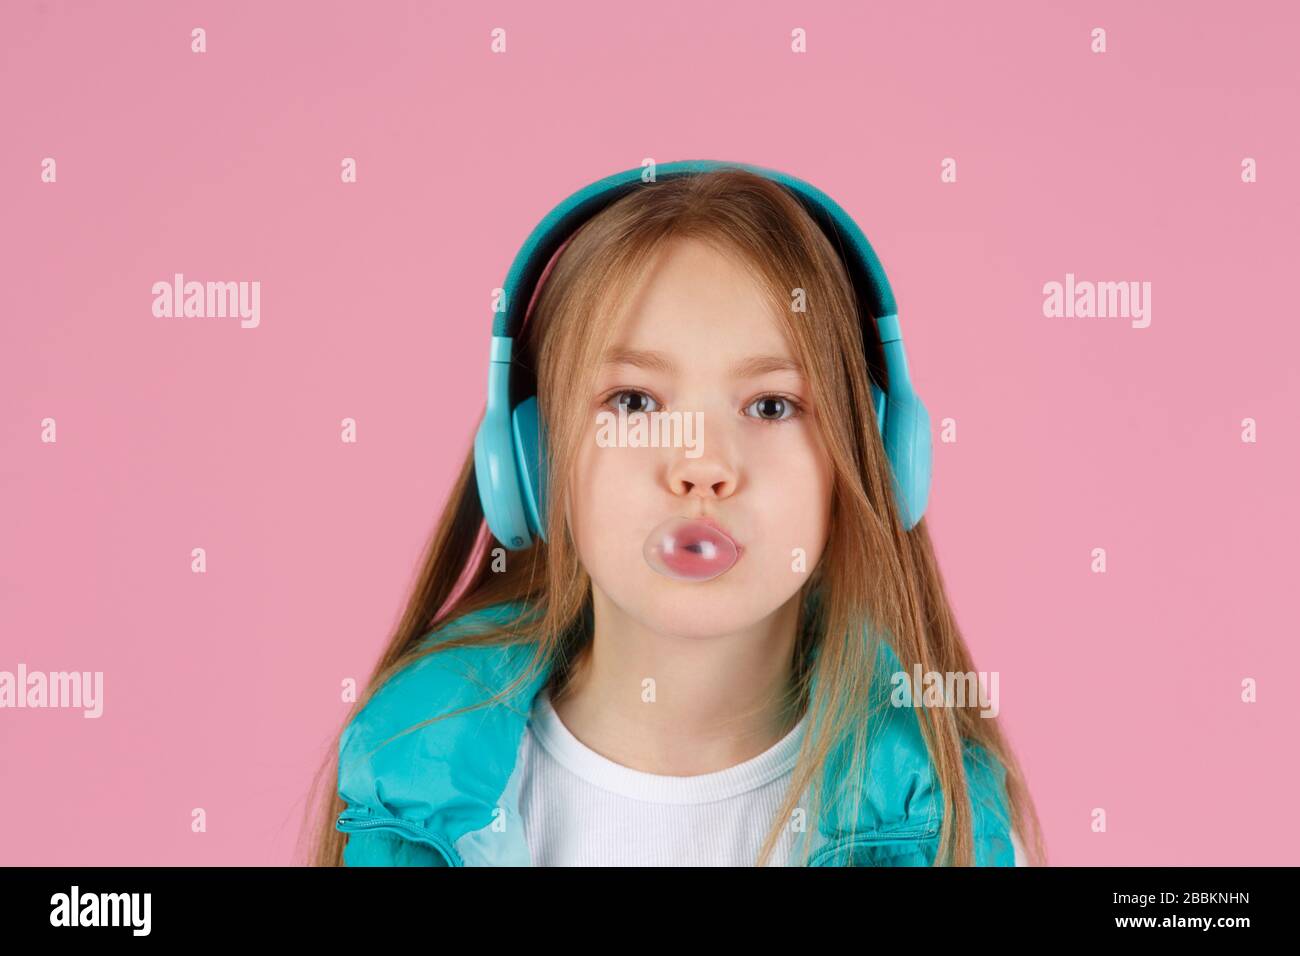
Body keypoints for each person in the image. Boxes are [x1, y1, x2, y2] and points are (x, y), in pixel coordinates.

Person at [307, 162, 1045, 867]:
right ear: (534, 459)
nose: (701, 464)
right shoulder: (406, 794)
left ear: (873, 461)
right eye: (634, 402)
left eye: (771, 405)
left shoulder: (942, 829)